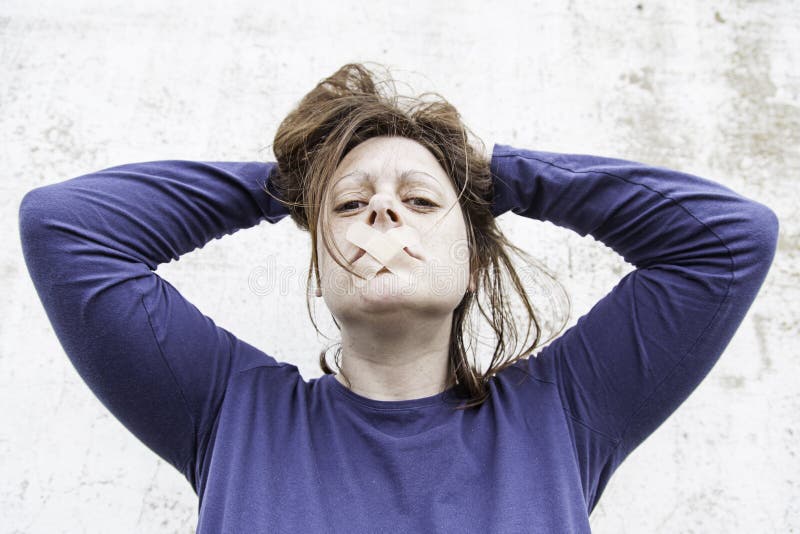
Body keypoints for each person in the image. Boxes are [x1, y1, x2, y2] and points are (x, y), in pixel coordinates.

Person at [18, 63, 779, 533]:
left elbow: (729, 239)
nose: (383, 213)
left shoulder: (561, 411)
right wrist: (293, 181)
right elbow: (65, 227)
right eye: (349, 207)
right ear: (320, 267)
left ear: (474, 263)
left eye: (419, 201)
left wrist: (496, 175)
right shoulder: (230, 411)